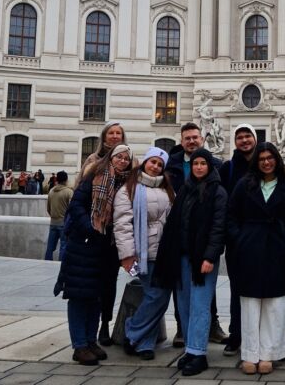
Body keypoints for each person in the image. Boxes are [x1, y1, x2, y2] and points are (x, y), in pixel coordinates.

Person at [227, 142, 285, 375]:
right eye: (262, 159)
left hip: (277, 249)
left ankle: (269, 353)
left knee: (275, 304)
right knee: (250, 303)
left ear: (277, 160)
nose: (266, 162)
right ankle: (250, 353)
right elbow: (232, 217)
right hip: (249, 248)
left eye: (270, 158)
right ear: (256, 162)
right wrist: (240, 240)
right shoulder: (244, 185)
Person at [53, 144, 134, 366]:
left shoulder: (127, 184)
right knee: (80, 294)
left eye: (127, 158)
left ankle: (90, 340)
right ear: (111, 157)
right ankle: (79, 345)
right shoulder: (95, 176)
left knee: (97, 295)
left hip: (106, 248)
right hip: (84, 245)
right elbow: (76, 205)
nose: (122, 161)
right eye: (119, 157)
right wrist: (90, 228)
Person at [153, 148, 227, 376]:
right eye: (195, 164)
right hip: (182, 256)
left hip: (201, 258)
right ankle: (190, 349)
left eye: (203, 163)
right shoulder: (185, 190)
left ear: (210, 166)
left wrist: (210, 257)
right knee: (184, 304)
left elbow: (218, 227)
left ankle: (199, 353)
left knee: (200, 305)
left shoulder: (218, 192)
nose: (198, 167)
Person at [164, 122, 227, 347]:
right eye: (187, 138)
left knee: (203, 296)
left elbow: (219, 220)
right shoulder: (170, 168)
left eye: (195, 137)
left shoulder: (217, 172)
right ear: (182, 142)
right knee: (183, 295)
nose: (191, 141)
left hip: (203, 247)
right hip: (181, 243)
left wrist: (210, 253)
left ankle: (208, 331)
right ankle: (183, 330)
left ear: (202, 139)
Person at [113, 147, 175, 359]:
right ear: (145, 162)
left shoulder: (168, 189)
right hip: (141, 253)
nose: (155, 167)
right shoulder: (128, 189)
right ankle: (133, 331)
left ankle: (144, 343)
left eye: (160, 164)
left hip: (165, 252)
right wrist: (127, 255)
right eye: (152, 162)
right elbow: (122, 225)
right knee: (155, 295)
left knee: (162, 296)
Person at [219, 124, 258, 356]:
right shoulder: (228, 169)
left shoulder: (265, 164)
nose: (244, 140)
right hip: (237, 241)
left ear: (255, 138)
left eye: (248, 136)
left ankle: (257, 336)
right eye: (240, 137)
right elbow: (223, 206)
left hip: (262, 240)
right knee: (237, 290)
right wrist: (232, 234)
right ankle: (236, 335)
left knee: (260, 290)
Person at [45, 171, 73, 261]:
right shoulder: (69, 192)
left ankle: (47, 262)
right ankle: (61, 263)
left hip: (53, 222)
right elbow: (72, 209)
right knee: (64, 245)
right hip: (64, 223)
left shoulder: (51, 191)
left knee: (50, 246)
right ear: (66, 180)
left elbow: (48, 208)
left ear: (57, 179)